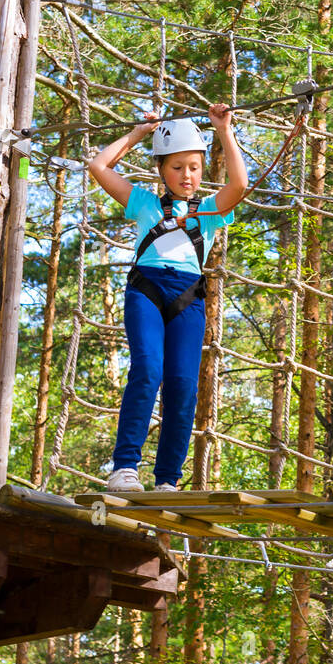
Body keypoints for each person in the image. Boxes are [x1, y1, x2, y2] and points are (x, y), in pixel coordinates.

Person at [86, 103, 248, 491]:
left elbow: (239, 186)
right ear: (161, 169)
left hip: (189, 297)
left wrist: (224, 131)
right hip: (147, 289)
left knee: (182, 384)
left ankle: (168, 479)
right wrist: (139, 133)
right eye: (176, 167)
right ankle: (125, 467)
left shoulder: (209, 210)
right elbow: (99, 167)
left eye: (193, 167)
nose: (186, 175)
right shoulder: (144, 203)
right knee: (148, 369)